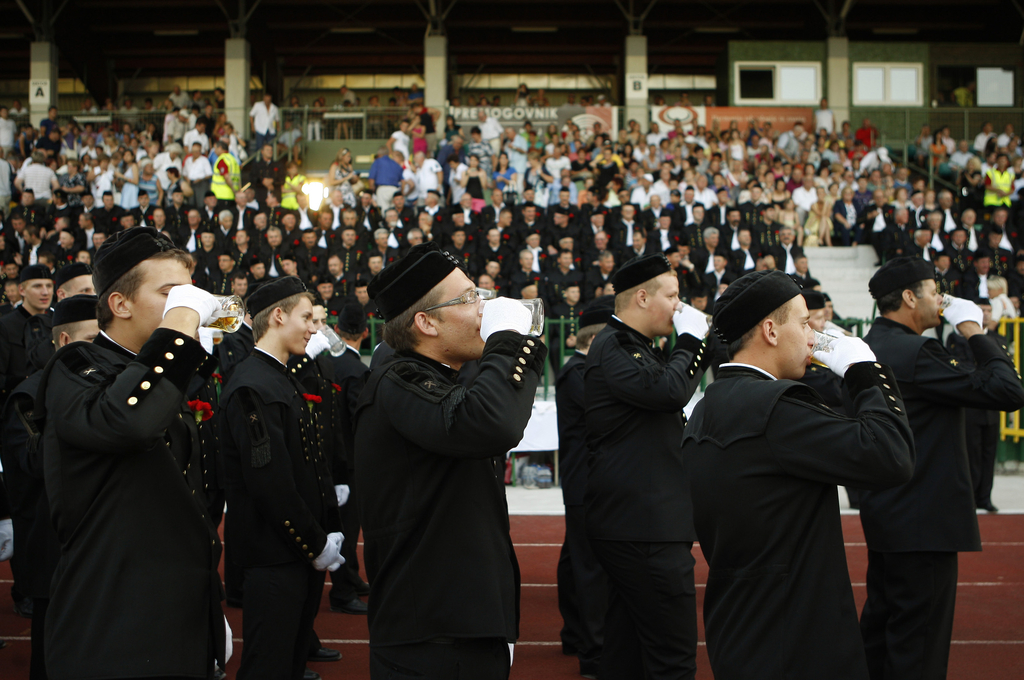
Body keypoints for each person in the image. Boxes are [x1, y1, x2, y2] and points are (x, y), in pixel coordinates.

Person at [683, 270, 914, 680]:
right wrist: (864, 370)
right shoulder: (777, 408)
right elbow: (891, 455)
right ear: (771, 330)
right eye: (805, 324)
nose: (813, 337)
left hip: (740, 630)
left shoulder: (709, 406)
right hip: (797, 641)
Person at [37, 227, 230, 679]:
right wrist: (180, 325)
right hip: (114, 622)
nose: (187, 303)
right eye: (169, 292)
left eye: (189, 292)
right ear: (120, 304)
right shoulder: (76, 366)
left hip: (176, 612)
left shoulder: (158, 369)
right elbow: (130, 421)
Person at [357, 242, 548, 679]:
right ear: (425, 323)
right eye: (468, 298)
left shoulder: (432, 377)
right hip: (434, 642)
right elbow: (492, 423)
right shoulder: (400, 379)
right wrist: (507, 339)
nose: (483, 307)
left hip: (456, 628)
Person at [859, 257, 1024, 680]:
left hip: (890, 514)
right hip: (924, 521)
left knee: (881, 634)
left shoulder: (874, 343)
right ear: (910, 298)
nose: (943, 301)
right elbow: (1007, 389)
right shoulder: (918, 350)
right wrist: (973, 330)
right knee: (919, 647)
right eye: (936, 292)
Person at [583, 254, 712, 680]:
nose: (679, 306)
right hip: (643, 527)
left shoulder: (633, 346)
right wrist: (691, 342)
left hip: (641, 523)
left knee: (628, 650)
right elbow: (669, 390)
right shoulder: (615, 345)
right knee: (672, 657)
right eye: (672, 296)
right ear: (641, 297)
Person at [220, 277, 345, 680]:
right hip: (275, 554)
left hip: (295, 553)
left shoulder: (279, 375)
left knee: (290, 663)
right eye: (307, 317)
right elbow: (270, 482)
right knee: (268, 666)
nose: (314, 327)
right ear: (278, 316)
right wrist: (314, 542)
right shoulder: (252, 383)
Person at [2, 295, 98, 680]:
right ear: (63, 342)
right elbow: (34, 462)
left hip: (96, 539)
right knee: (53, 652)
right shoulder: (28, 395)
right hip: (50, 543)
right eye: (91, 340)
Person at [555, 296, 613, 678]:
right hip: (585, 484)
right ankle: (593, 653)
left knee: (574, 561)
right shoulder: (578, 372)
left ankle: (574, 632)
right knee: (589, 569)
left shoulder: (580, 369)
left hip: (585, 482)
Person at [328, 303, 372, 606]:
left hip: (333, 456)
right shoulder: (356, 370)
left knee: (345, 524)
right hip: (350, 461)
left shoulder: (330, 364)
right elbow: (360, 420)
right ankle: (342, 591)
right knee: (347, 526)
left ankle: (351, 575)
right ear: (366, 332)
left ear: (337, 330)